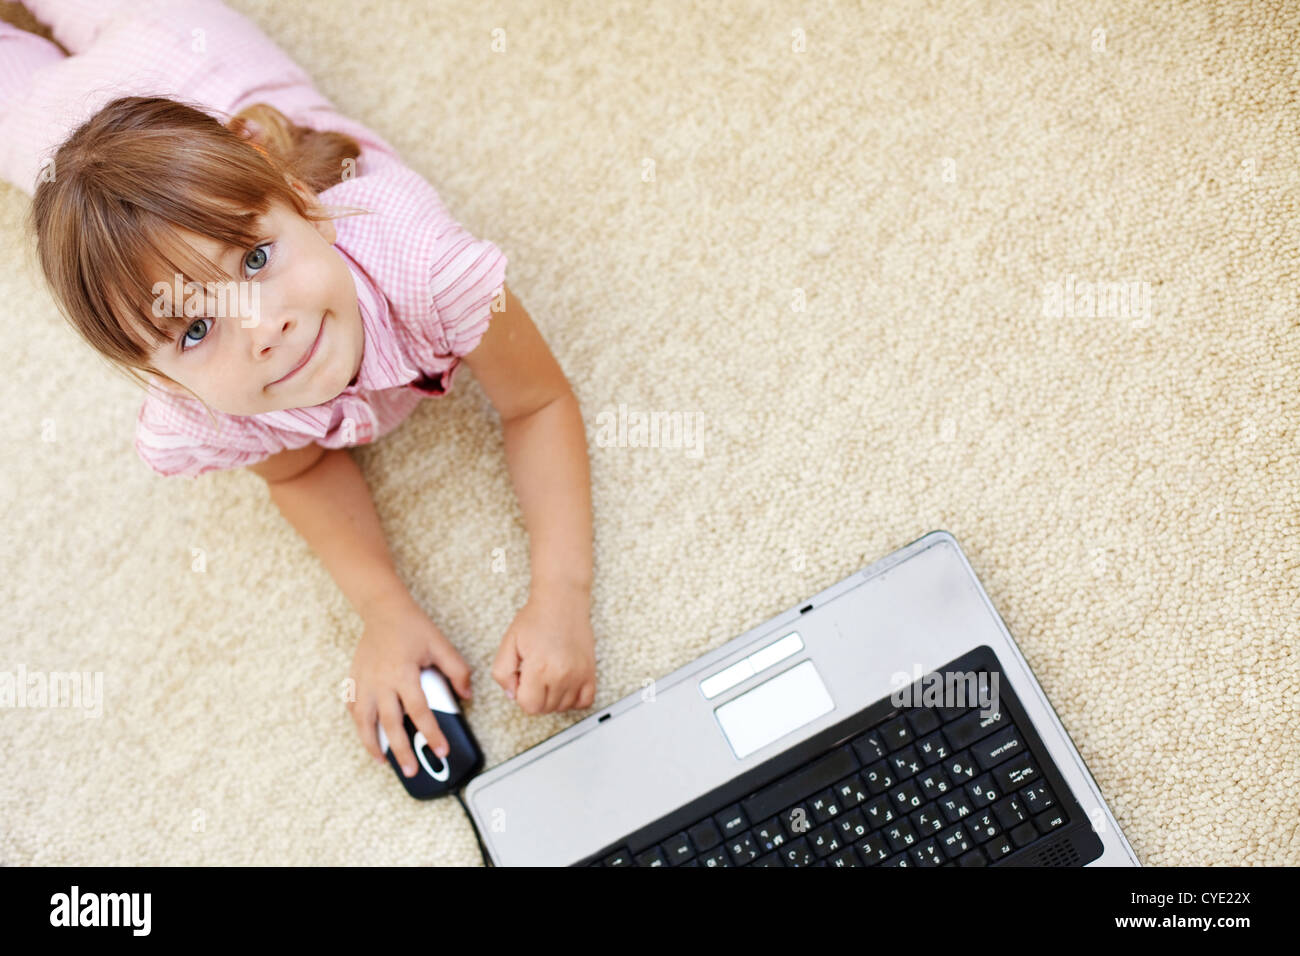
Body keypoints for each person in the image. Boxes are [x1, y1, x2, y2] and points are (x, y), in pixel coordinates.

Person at [0, 0, 596, 782]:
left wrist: (561, 595)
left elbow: (538, 403)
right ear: (159, 377)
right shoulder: (201, 413)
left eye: (253, 261)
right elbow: (299, 466)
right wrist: (384, 608)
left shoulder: (428, 268)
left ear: (301, 198)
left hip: (179, 48)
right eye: (194, 332)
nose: (263, 329)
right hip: (58, 140)